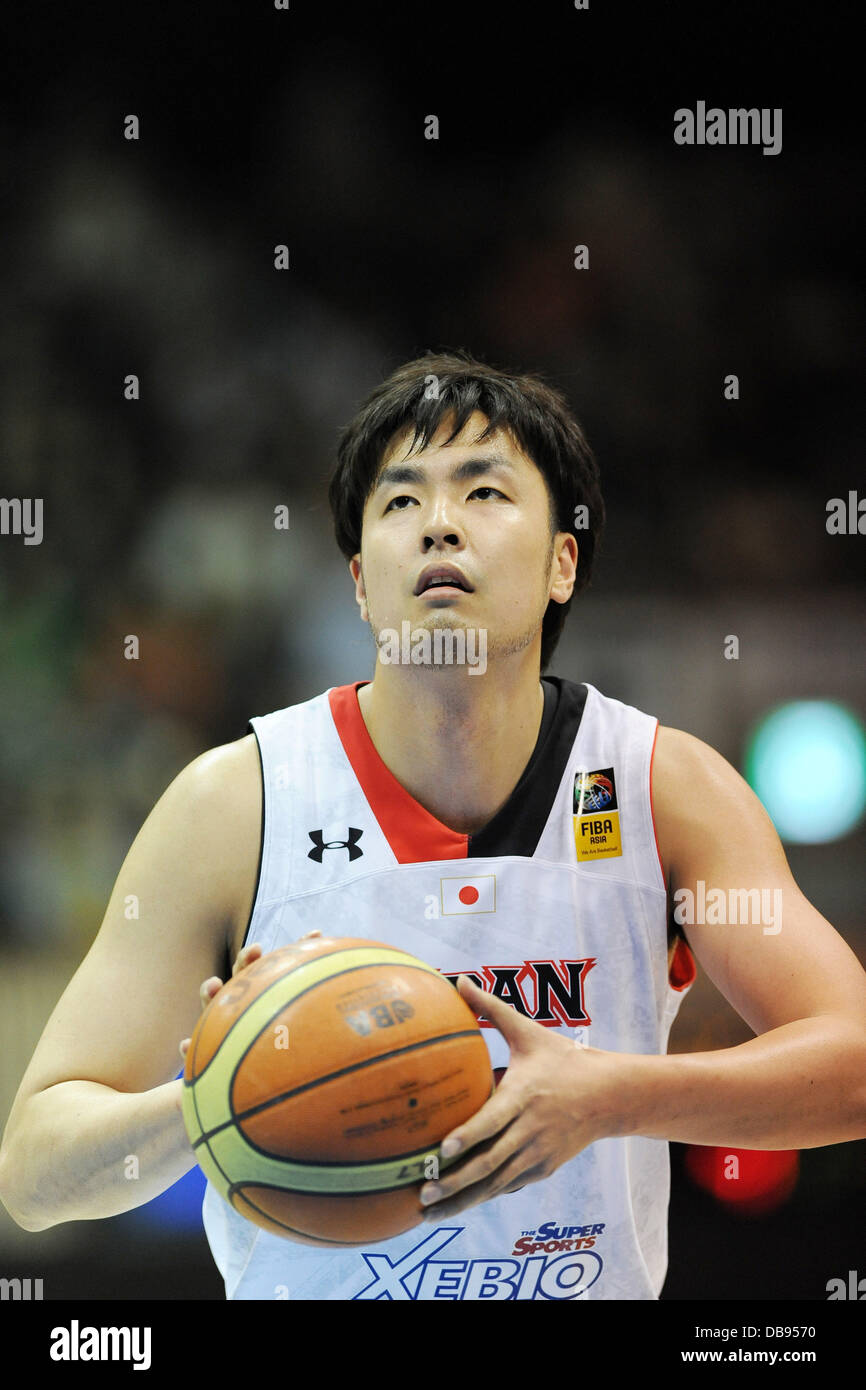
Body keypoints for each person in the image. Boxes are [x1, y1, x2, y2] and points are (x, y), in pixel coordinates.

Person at [1, 351, 865, 1302]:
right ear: (362, 581)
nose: (440, 523)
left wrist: (609, 1095)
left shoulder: (664, 786)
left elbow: (855, 1063)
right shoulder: (234, 803)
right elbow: (34, 1176)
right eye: (400, 502)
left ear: (562, 562)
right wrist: (218, 1103)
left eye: (485, 491)